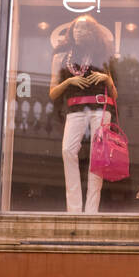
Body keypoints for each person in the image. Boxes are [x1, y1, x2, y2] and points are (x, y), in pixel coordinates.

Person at [49, 17, 118, 213]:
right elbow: (53, 92)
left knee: (98, 156)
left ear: (93, 32)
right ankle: (74, 209)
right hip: (75, 109)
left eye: (85, 28)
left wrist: (106, 77)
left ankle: (91, 210)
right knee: (68, 150)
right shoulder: (61, 57)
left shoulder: (103, 55)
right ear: (70, 31)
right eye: (76, 28)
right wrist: (68, 83)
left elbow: (115, 94)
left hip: (100, 109)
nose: (79, 31)